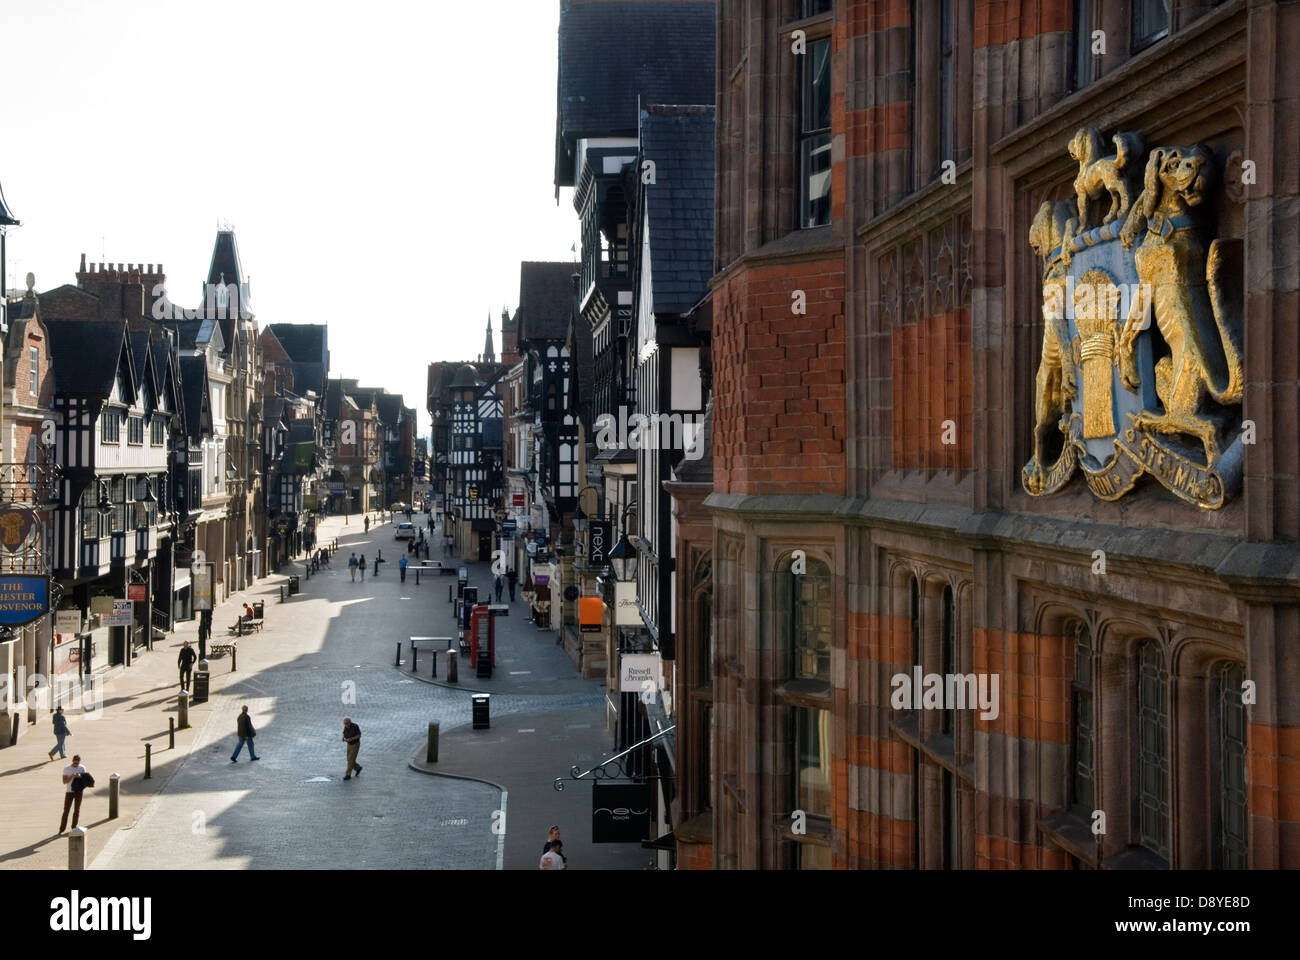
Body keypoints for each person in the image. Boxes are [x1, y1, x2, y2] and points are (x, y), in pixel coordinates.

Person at [59, 755, 92, 833]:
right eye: (74, 763)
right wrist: (72, 776)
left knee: (77, 810)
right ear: (72, 761)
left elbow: (85, 780)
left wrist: (80, 776)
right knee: (66, 811)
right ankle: (61, 829)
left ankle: (74, 827)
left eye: (77, 764)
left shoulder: (82, 768)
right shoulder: (67, 769)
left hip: (79, 791)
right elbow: (64, 782)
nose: (75, 765)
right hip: (69, 791)